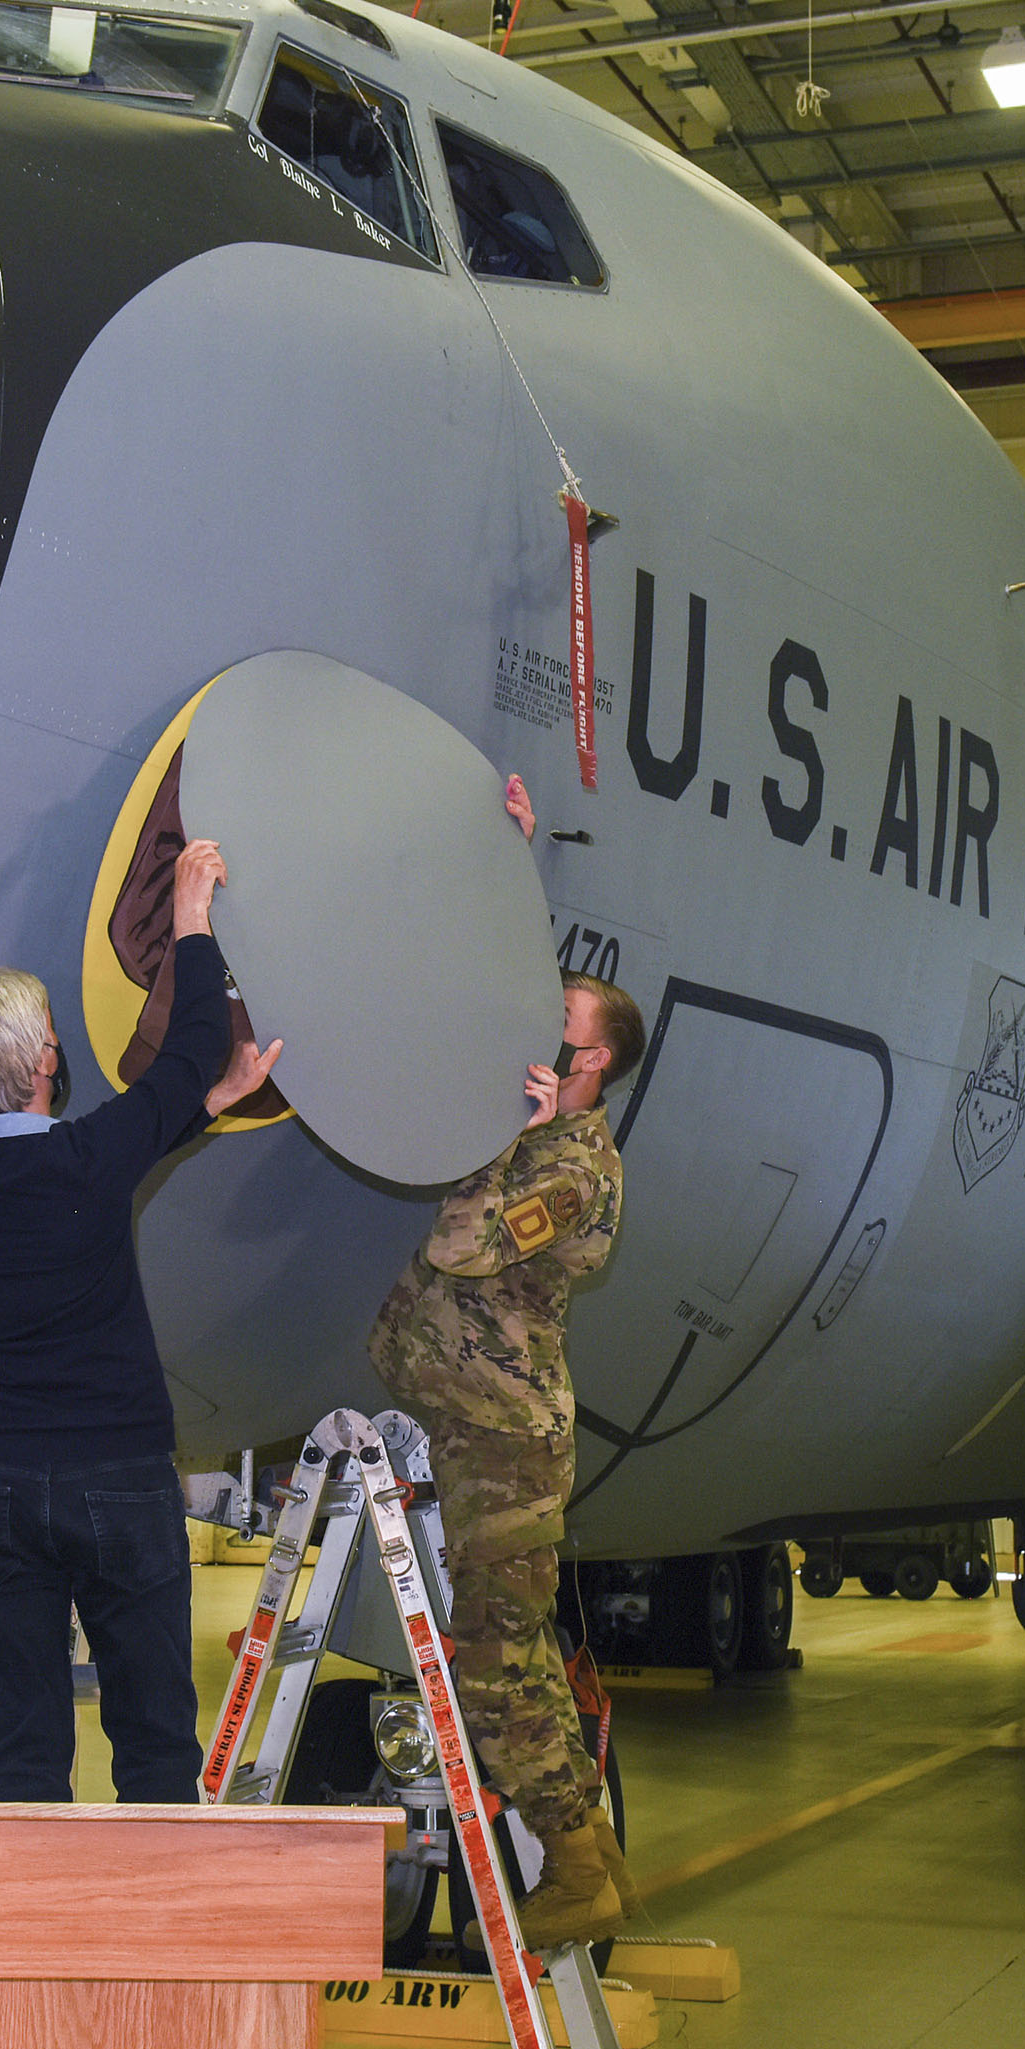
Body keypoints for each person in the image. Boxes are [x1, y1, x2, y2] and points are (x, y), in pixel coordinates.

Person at [0, 837, 281, 1803]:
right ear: (43, 1063)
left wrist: (200, 1106)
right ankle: (150, 1944)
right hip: (115, 1480)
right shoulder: (86, 1160)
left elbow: (152, 1114)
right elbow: (191, 1046)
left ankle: (35, 1949)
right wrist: (191, 922)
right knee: (155, 1741)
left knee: (23, 1755)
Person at [366, 776, 645, 1947]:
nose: (534, 1039)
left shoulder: (571, 1166)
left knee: (498, 1655)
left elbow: (461, 1242)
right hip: (467, 1426)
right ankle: (587, 1857)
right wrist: (509, 867)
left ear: (584, 1072)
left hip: (505, 1444)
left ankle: (577, 1862)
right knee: (491, 1647)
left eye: (556, 1037)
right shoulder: (538, 1121)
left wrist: (507, 1140)